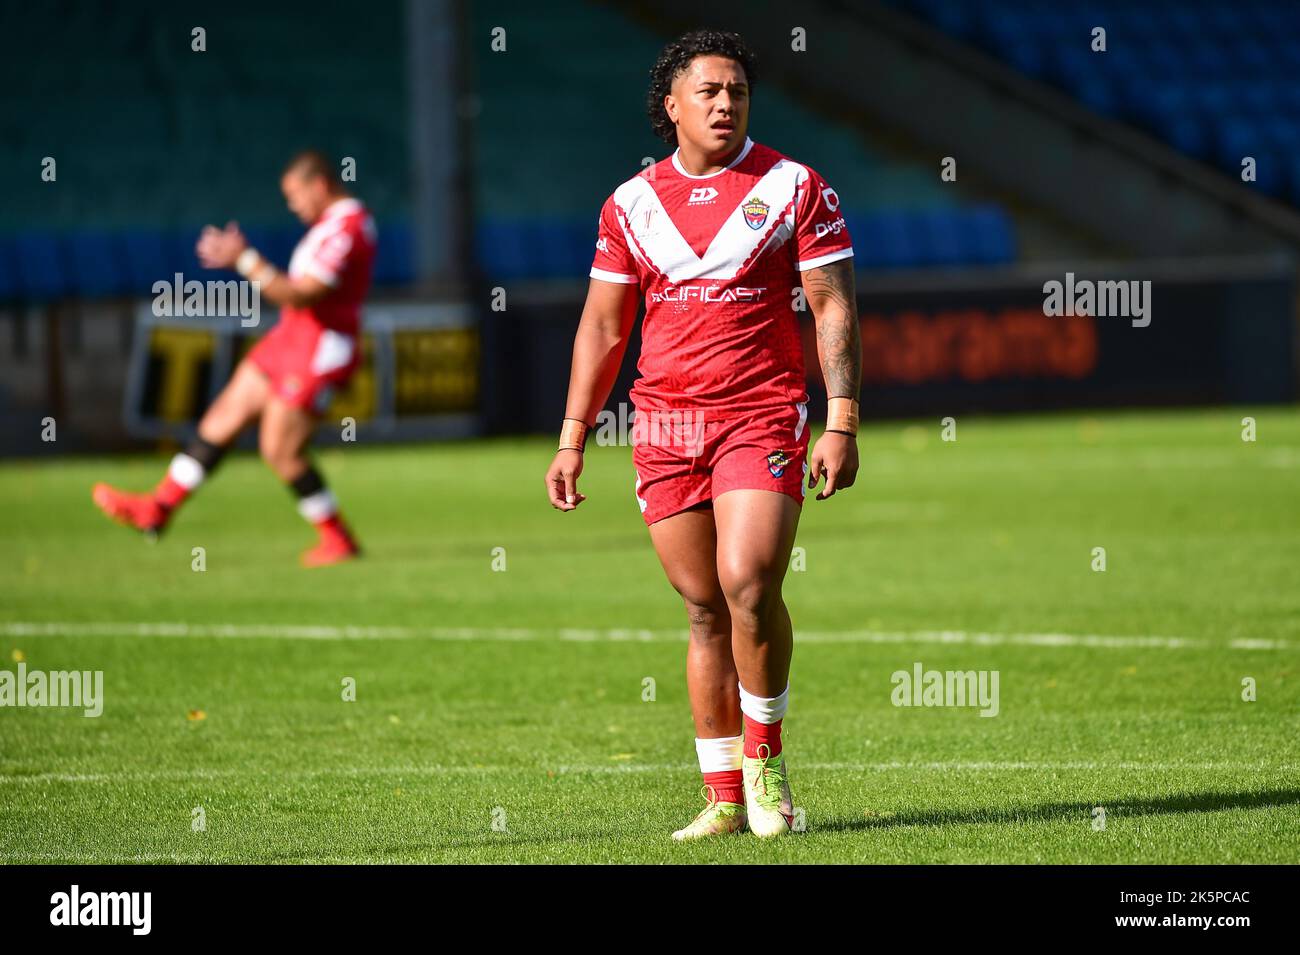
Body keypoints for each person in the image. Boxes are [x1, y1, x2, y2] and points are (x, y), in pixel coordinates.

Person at [545, 31, 862, 839]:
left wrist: (843, 418)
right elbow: (605, 326)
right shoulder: (629, 204)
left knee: (749, 581)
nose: (726, 104)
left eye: (738, 92)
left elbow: (832, 305)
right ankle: (722, 797)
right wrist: (574, 434)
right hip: (665, 424)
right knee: (702, 607)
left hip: (761, 412)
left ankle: (767, 767)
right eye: (710, 92)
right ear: (671, 107)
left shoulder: (796, 188)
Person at [92, 150, 376, 567]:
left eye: (296, 195)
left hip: (317, 349)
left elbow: (303, 293)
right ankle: (158, 508)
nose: (293, 205)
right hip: (290, 338)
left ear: (319, 186)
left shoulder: (348, 226)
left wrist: (244, 259)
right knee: (223, 415)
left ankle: (337, 539)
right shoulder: (327, 227)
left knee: (279, 450)